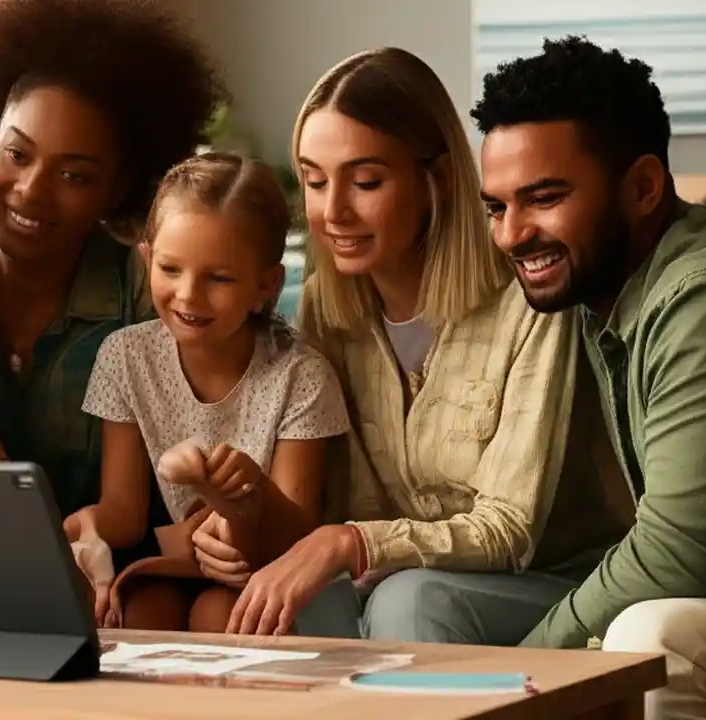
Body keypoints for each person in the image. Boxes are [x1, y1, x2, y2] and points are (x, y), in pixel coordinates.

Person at [191, 47, 626, 644]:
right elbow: (332, 506)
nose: (333, 211)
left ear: (438, 179)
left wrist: (354, 542)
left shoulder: (531, 299)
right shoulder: (324, 306)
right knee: (297, 601)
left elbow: (511, 530)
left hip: (550, 584)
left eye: (366, 181)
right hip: (394, 582)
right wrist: (241, 520)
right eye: (315, 182)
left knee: (410, 597)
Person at [473, 36, 706, 719]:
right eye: (497, 207)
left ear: (642, 187)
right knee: (426, 598)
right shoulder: (600, 287)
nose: (513, 234)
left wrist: (525, 671)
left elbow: (686, 553)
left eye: (544, 198)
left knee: (657, 639)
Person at [0, 0, 225, 531]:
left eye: (74, 176)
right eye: (17, 154)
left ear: (118, 188)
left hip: (119, 584)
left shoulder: (154, 301)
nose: (31, 191)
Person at [67, 153, 348, 632]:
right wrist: (79, 532)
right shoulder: (126, 355)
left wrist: (246, 499)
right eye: (170, 269)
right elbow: (124, 513)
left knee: (220, 616)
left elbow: (297, 535)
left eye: (219, 278)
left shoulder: (301, 376)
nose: (189, 295)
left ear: (266, 285)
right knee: (138, 613)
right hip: (177, 562)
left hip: (263, 568)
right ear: (146, 260)